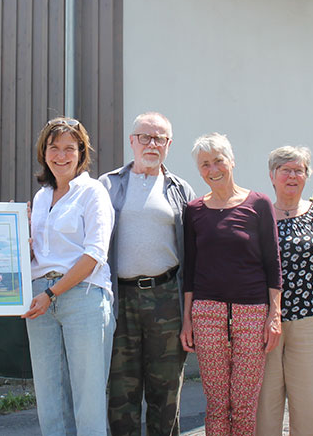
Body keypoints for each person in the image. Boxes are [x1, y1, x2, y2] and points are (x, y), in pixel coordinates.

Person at [100, 112, 196, 436]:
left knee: (166, 392)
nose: (151, 144)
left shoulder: (181, 189)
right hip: (119, 298)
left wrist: (189, 312)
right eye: (145, 137)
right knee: (121, 393)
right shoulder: (107, 184)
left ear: (169, 145)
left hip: (166, 299)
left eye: (160, 138)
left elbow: (193, 253)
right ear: (132, 141)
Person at [180, 133, 282, 436]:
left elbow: (272, 263)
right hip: (206, 313)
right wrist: (187, 319)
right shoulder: (194, 210)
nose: (213, 169)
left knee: (243, 403)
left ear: (232, 161)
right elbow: (190, 268)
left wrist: (273, 315)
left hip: (251, 312)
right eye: (205, 164)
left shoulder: (259, 204)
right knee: (216, 404)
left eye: (218, 161)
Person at [22, 117, 116, 436]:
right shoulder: (42, 196)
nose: (61, 155)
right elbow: (41, 253)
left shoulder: (93, 192)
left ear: (81, 152)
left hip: (82, 296)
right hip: (39, 297)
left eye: (69, 148)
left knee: (87, 399)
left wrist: (52, 294)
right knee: (49, 398)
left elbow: (94, 254)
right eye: (54, 148)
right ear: (43, 152)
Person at [256, 146, 313, 436]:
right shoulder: (258, 215)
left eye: (299, 170)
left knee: (312, 406)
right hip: (264, 324)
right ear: (272, 176)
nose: (292, 176)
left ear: (307, 176)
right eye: (285, 170)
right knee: (263, 407)